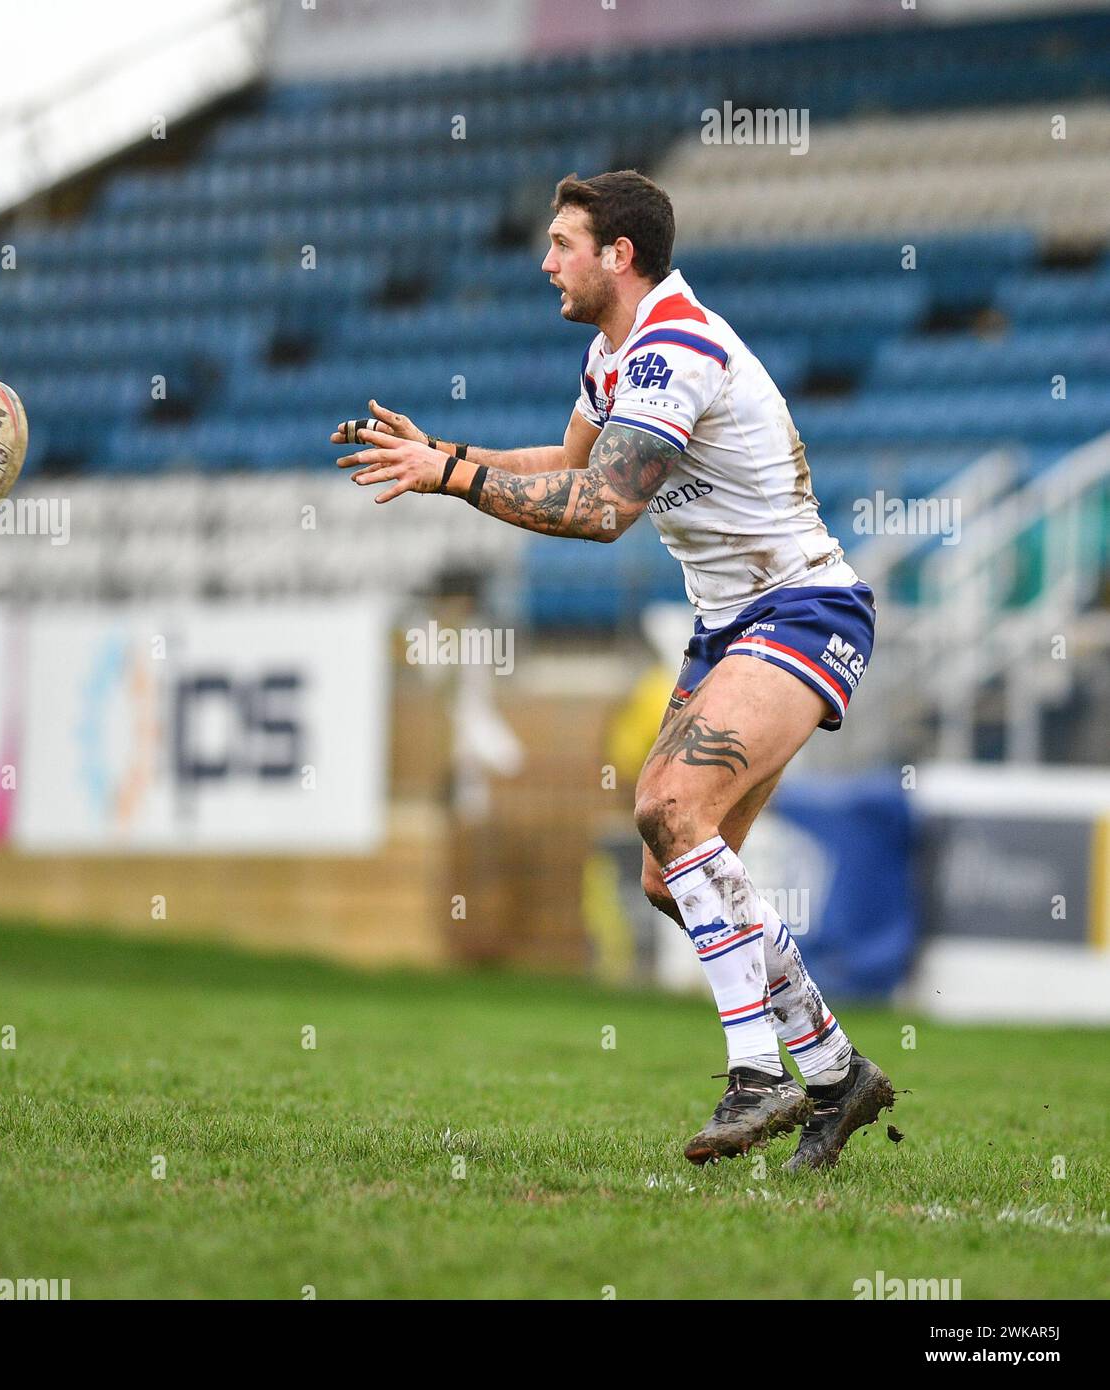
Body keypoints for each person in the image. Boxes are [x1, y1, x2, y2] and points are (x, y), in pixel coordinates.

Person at [331, 169, 894, 1169]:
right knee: (668, 871)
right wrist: (443, 453)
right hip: (733, 625)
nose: (546, 261)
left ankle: (756, 1074)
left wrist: (454, 480)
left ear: (617, 255)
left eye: (561, 243)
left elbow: (600, 510)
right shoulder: (612, 356)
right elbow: (568, 461)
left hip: (801, 609)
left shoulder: (674, 348)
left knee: (671, 809)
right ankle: (839, 1071)